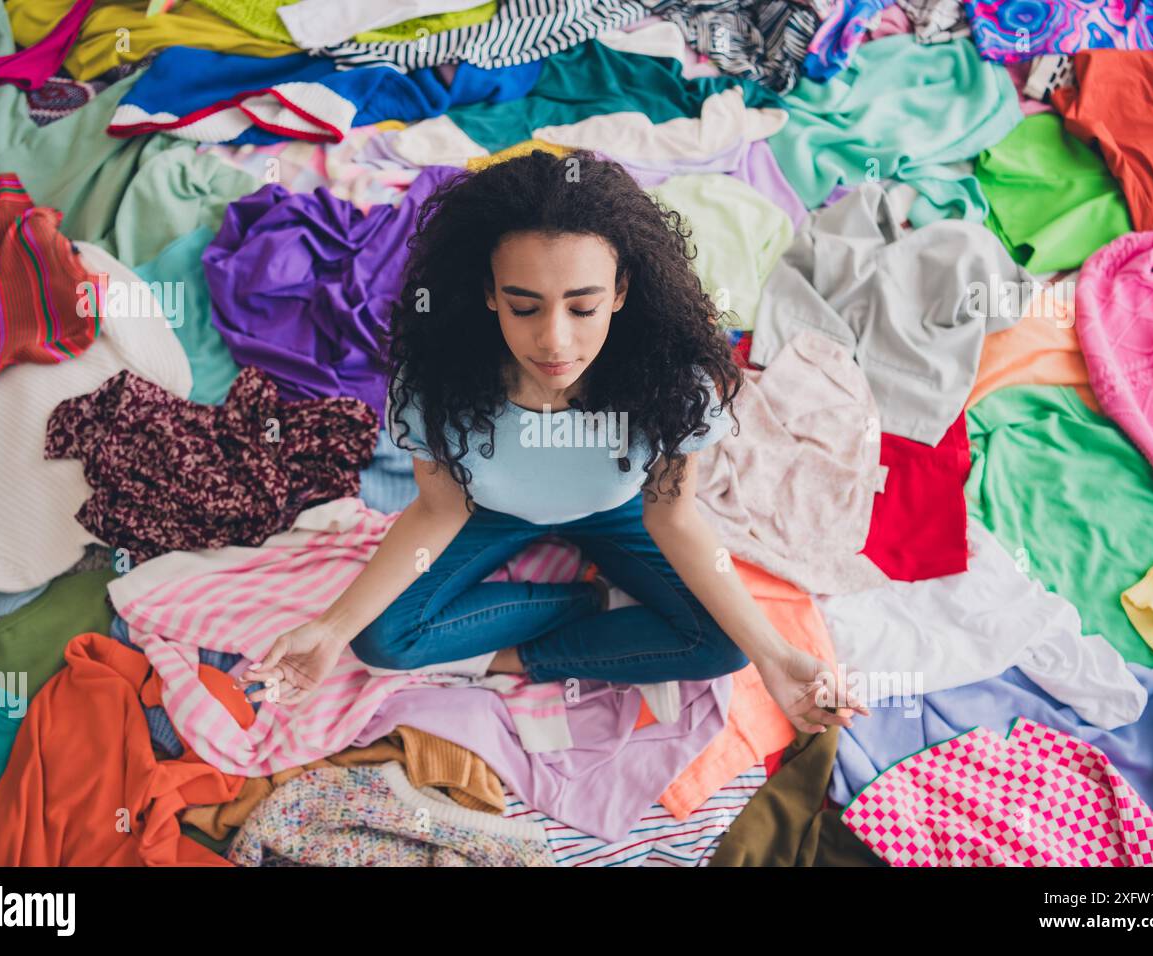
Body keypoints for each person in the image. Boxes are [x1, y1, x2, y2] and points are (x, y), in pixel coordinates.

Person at [241, 149, 867, 735]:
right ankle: (581, 601)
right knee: (380, 640)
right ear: (489, 294)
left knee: (725, 645)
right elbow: (439, 509)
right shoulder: (436, 380)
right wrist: (328, 629)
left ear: (620, 293)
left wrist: (777, 657)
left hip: (620, 513)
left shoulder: (673, 380)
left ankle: (528, 653)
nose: (555, 343)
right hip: (485, 512)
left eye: (583, 307)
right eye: (524, 307)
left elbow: (674, 517)